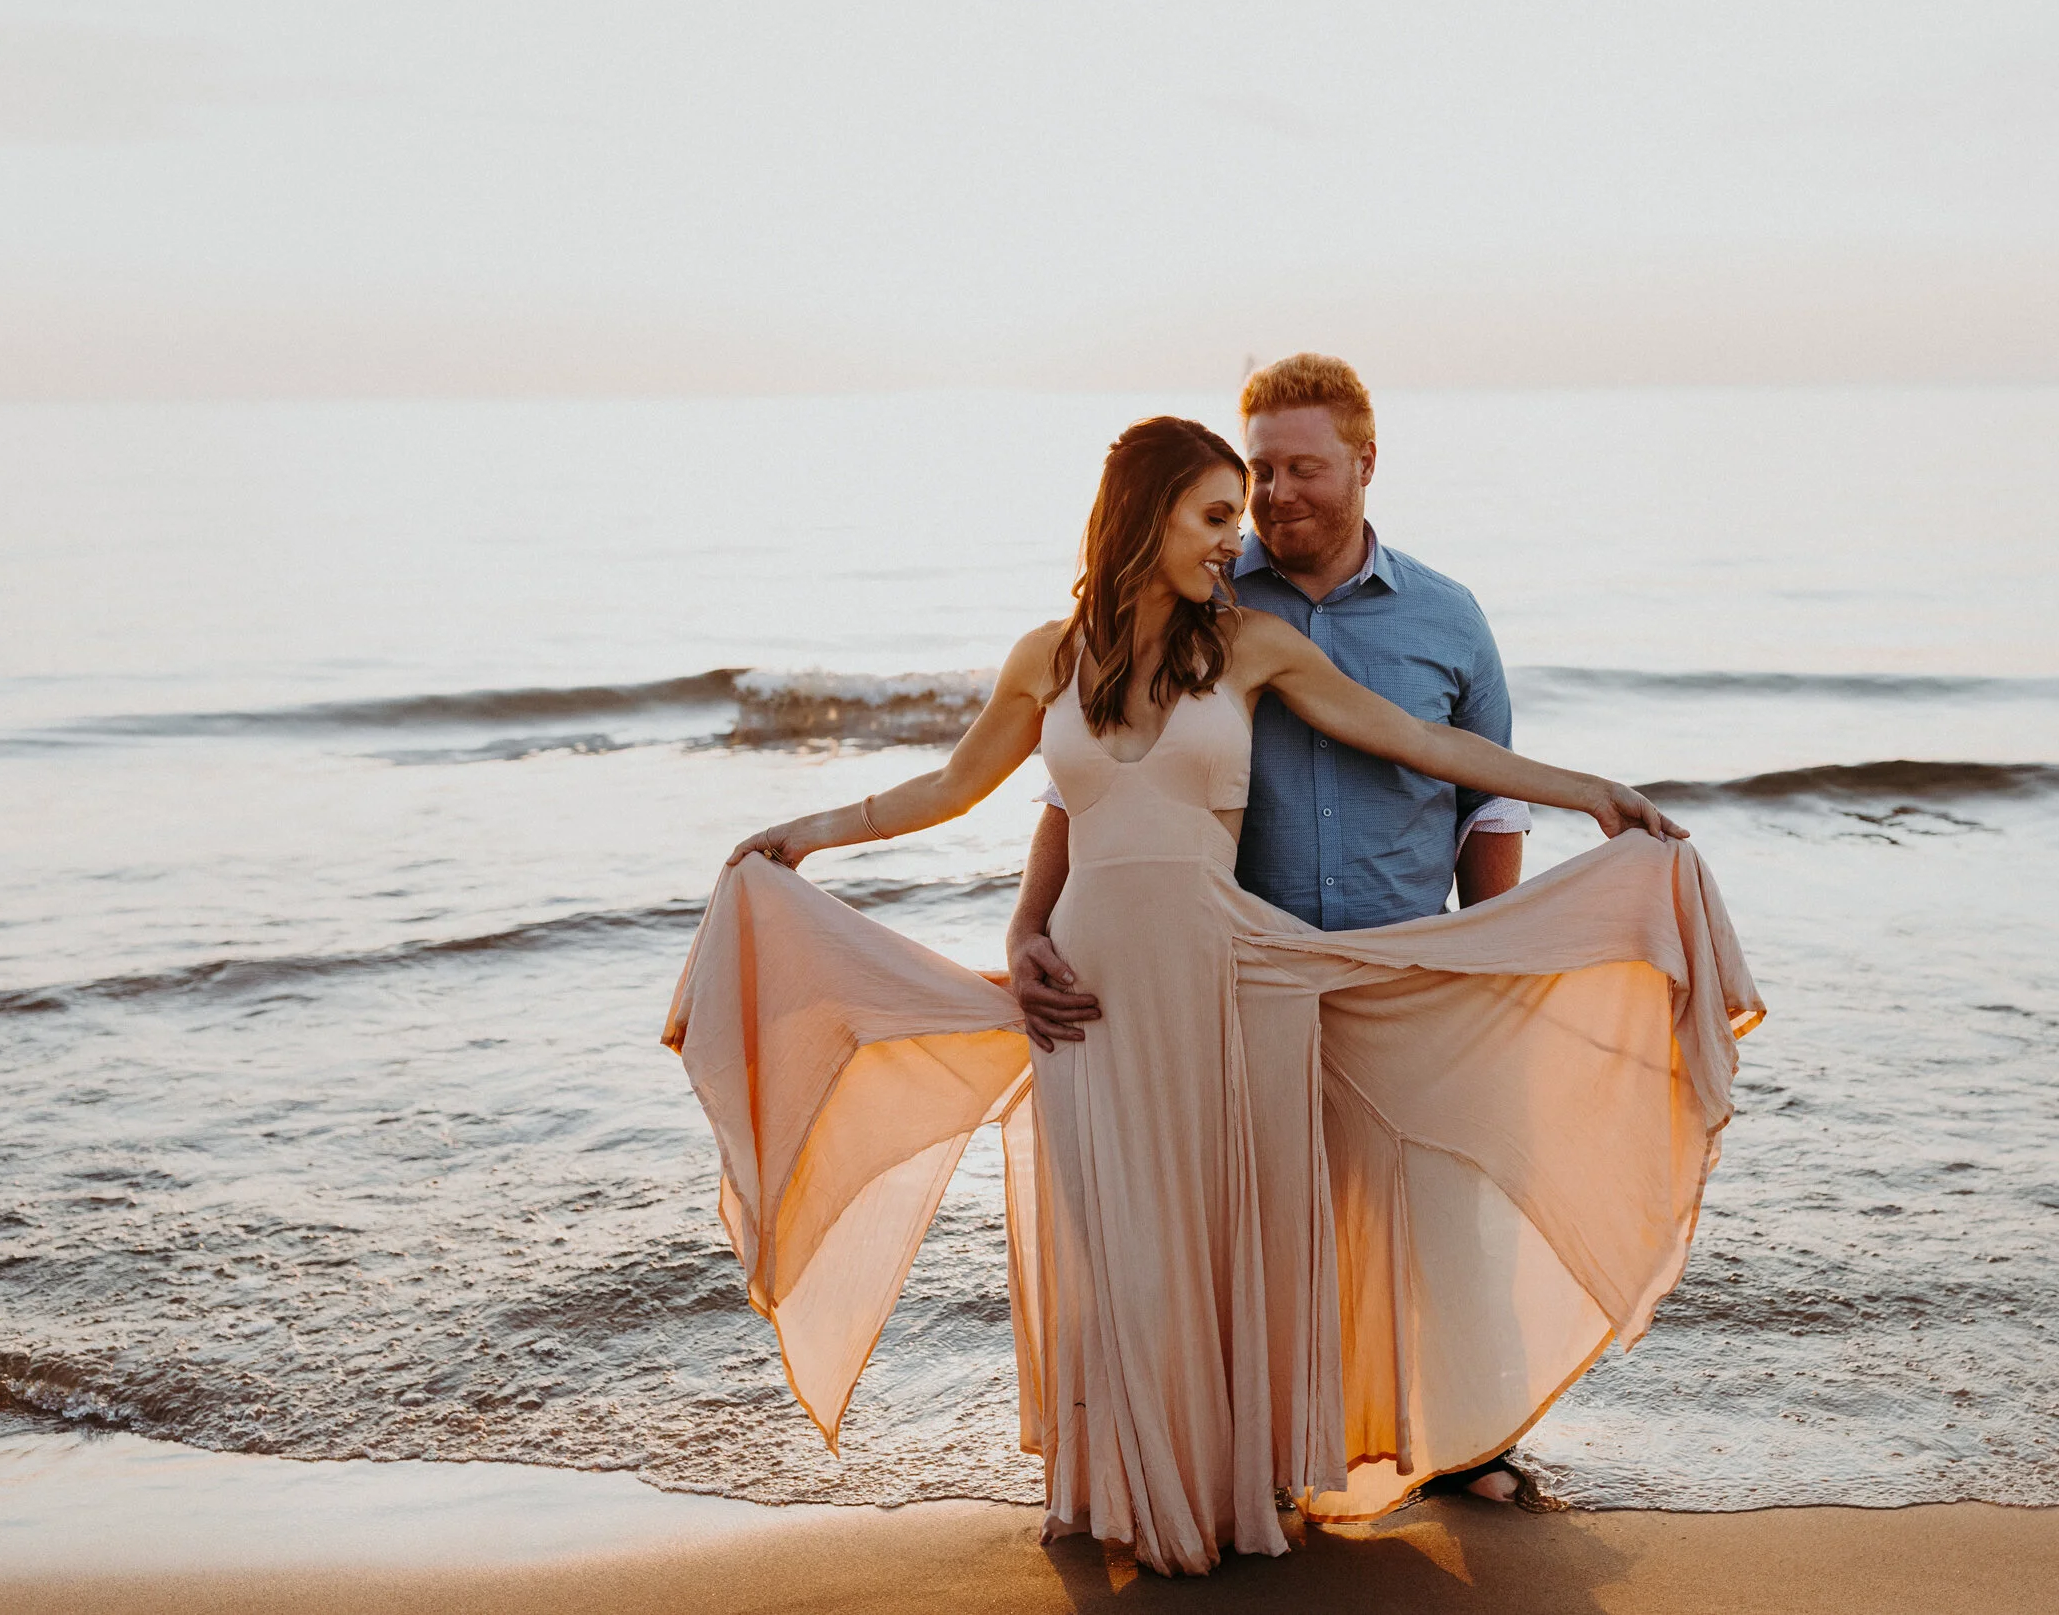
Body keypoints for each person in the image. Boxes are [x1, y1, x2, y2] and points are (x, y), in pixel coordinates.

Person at [672, 415, 1763, 1577]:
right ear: (1143, 515)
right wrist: (804, 836)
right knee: (1120, 1247)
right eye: (1209, 517)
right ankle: (1126, 1484)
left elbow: (1418, 741)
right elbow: (951, 783)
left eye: (1234, 519)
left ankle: (1235, 1488)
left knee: (1225, 1236)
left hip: (1233, 972)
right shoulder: (1048, 654)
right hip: (1089, 994)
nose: (1227, 543)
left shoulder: (1248, 648)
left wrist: (1593, 794)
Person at [1011, 353, 1529, 1503]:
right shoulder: (1204, 596)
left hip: (1402, 962)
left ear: (1363, 464)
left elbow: (1482, 788)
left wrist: (1486, 953)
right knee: (1263, 1226)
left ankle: (1474, 1441)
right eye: (1261, 468)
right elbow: (1086, 785)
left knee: (1438, 1212)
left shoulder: (1448, 614)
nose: (1279, 490)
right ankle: (1276, 1451)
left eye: (1304, 466)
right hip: (1236, 973)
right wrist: (1028, 923)